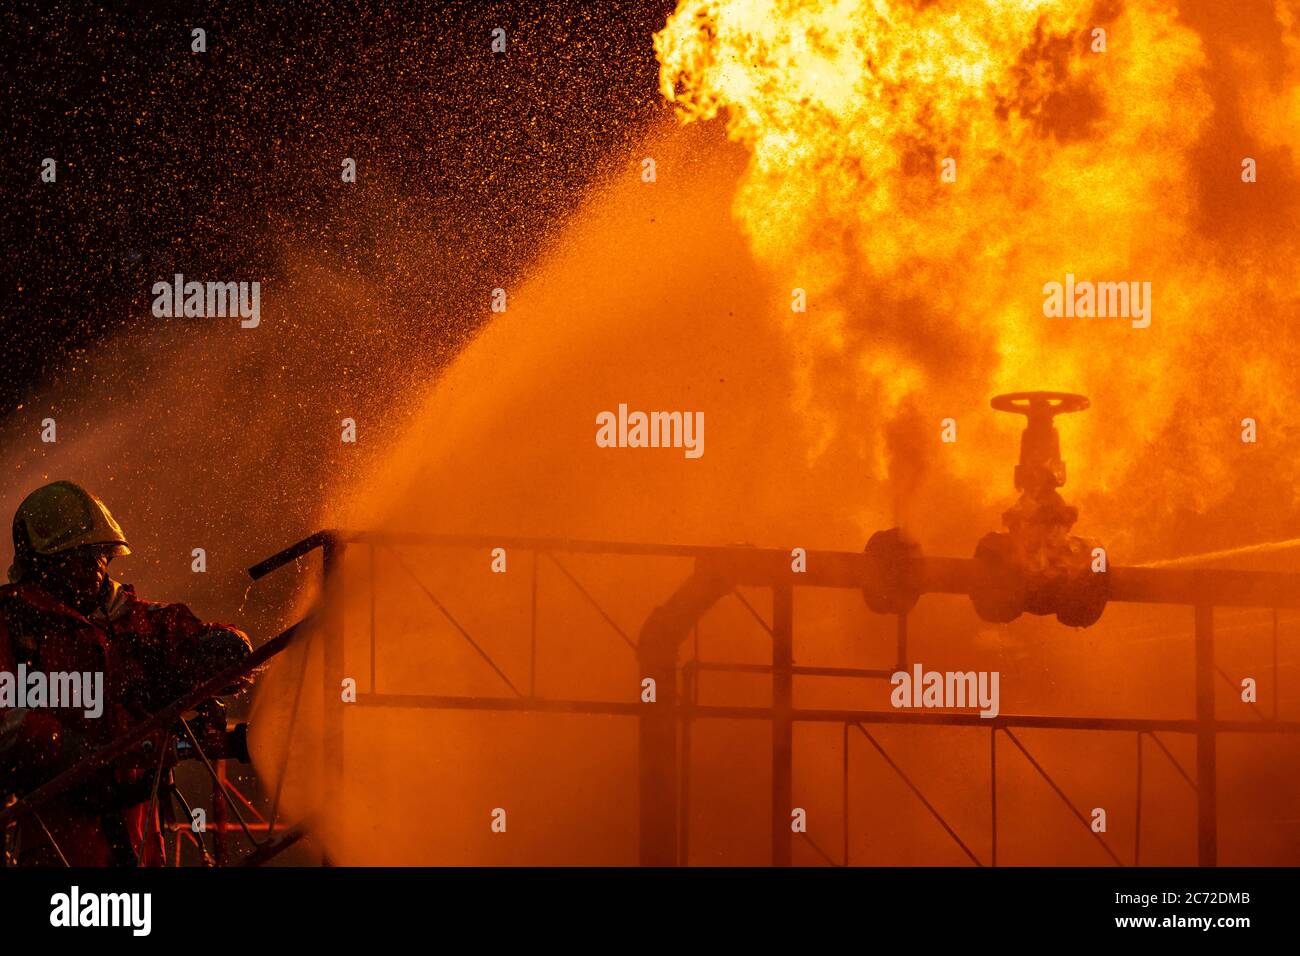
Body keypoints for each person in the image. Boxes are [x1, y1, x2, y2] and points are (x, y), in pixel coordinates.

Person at [0, 480, 252, 866]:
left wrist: (218, 650)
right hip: (49, 830)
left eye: (100, 555)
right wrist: (73, 751)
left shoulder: (131, 621)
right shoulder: (13, 625)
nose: (95, 569)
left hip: (138, 831)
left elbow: (190, 638)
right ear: (43, 566)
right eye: (81, 558)